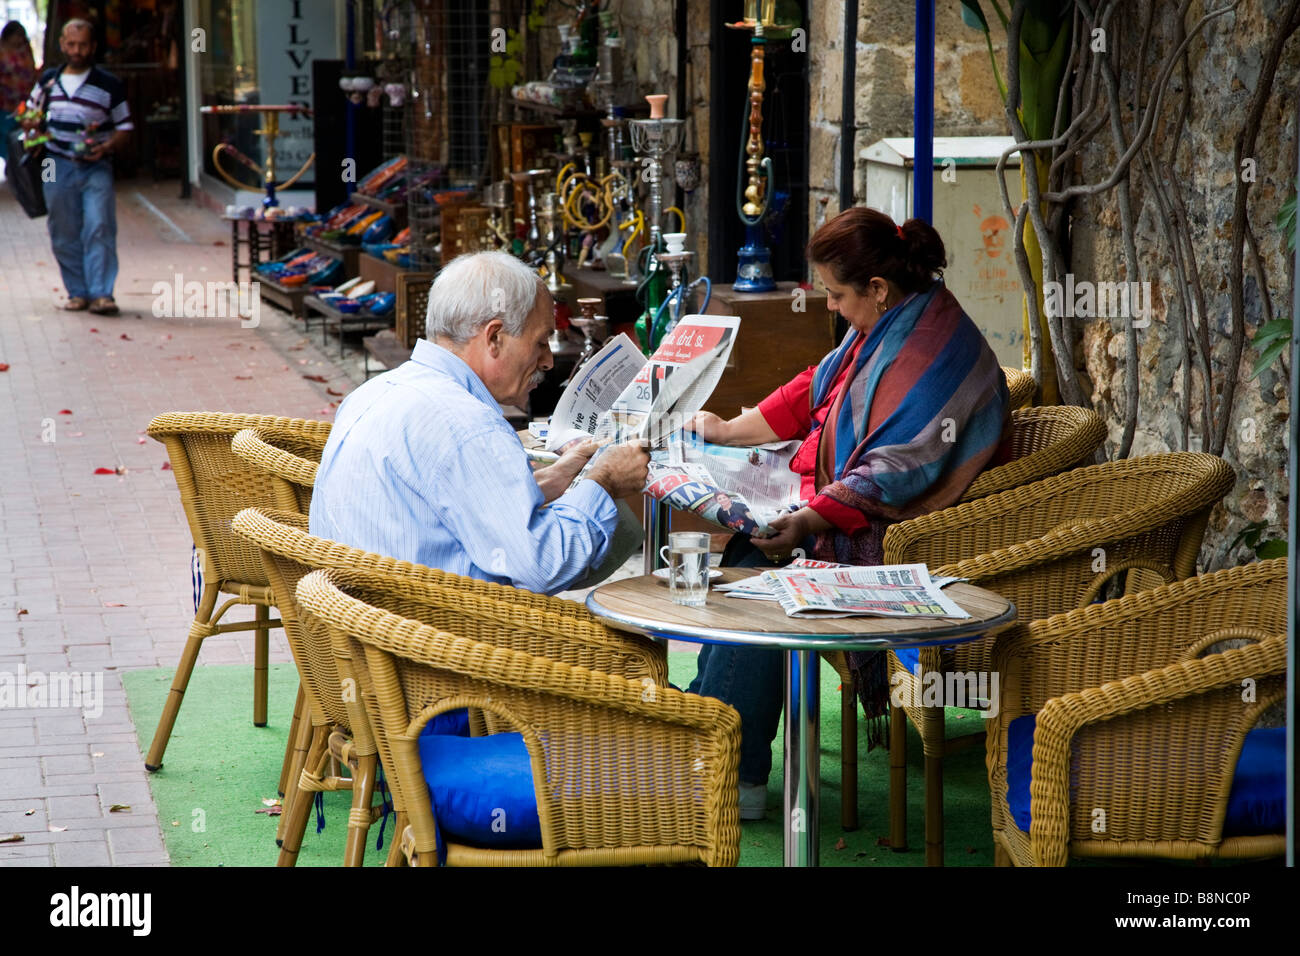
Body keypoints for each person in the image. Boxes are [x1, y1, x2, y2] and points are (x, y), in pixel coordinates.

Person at [686, 206, 1011, 818]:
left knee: (756, 572)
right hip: (853, 508)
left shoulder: (925, 349)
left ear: (878, 289)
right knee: (743, 557)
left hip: (914, 538)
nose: (829, 306)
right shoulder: (888, 326)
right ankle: (712, 732)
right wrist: (728, 431)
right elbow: (816, 388)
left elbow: (893, 472)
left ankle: (732, 769)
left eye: (836, 294)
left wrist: (807, 522)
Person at [310, 251, 650, 594]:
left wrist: (553, 479)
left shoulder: (373, 392)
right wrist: (603, 481)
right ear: (494, 338)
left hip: (363, 626)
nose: (547, 361)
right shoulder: (467, 425)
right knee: (637, 641)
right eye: (540, 342)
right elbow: (544, 564)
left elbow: (455, 500)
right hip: (441, 636)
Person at [20, 19, 132, 315]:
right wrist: (31, 126)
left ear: (93, 47)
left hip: (97, 165)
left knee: (100, 224)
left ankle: (102, 293)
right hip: (52, 162)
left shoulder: (109, 85)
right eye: (71, 44)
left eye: (83, 45)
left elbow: (126, 127)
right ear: (61, 45)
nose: (77, 51)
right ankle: (77, 292)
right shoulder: (47, 81)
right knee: (61, 226)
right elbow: (30, 116)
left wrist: (106, 147)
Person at [0, 21, 36, 157]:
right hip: (5, 104)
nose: (20, 39)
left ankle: (20, 170)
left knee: (23, 137)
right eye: (17, 36)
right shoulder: (1, 50)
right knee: (6, 136)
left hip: (25, 103)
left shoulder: (25, 49)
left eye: (22, 36)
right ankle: (9, 167)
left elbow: (32, 70)